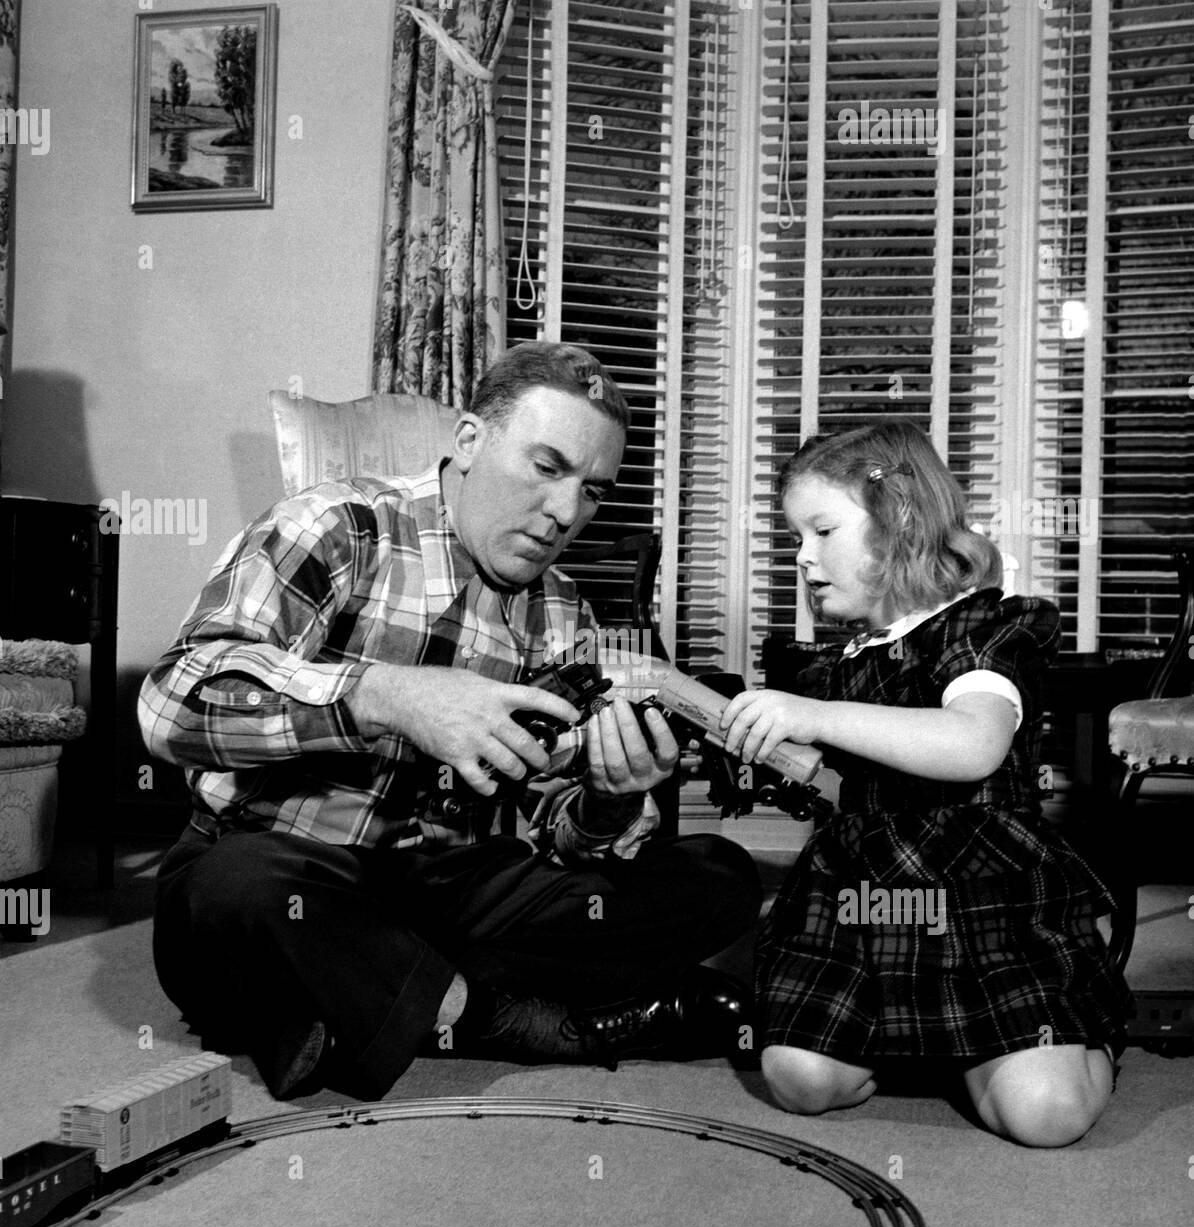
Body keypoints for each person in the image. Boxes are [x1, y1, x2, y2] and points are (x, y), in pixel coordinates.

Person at [139, 341, 761, 1101]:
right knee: (238, 888)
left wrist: (605, 799)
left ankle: (353, 995)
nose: (567, 514)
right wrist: (386, 696)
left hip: (442, 886)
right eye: (547, 467)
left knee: (717, 879)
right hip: (283, 862)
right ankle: (513, 1019)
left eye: (593, 491)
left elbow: (554, 834)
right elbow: (170, 702)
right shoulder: (337, 529)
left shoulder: (567, 617)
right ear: (470, 441)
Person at [719, 421, 1129, 1148]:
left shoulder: (980, 631)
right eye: (795, 538)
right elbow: (841, 783)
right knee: (799, 1080)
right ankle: (953, 1049)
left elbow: (973, 745)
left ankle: (1058, 1039)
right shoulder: (840, 660)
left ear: (900, 520)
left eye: (821, 530)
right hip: (867, 900)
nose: (803, 557)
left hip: (980, 900)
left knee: (1045, 1117)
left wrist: (817, 716)